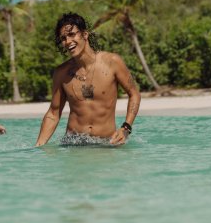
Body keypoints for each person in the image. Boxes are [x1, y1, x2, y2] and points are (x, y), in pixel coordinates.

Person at [35, 12, 141, 147]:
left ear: (85, 34)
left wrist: (126, 128)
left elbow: (134, 94)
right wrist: (38, 147)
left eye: (72, 34)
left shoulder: (112, 62)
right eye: (63, 38)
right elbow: (53, 113)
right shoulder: (62, 73)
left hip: (106, 143)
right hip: (73, 144)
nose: (68, 41)